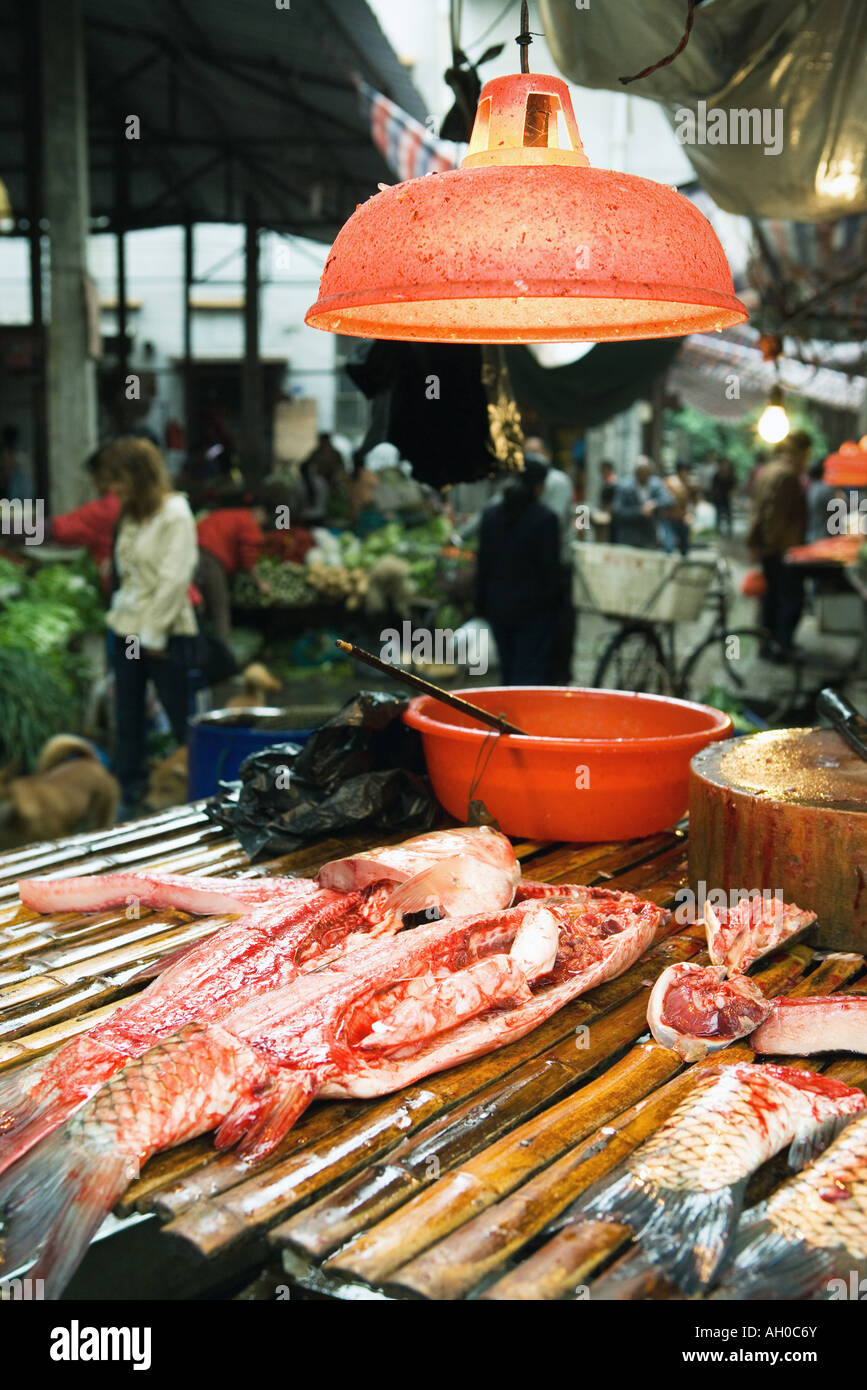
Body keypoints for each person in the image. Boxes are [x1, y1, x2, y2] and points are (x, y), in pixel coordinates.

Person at [103, 437, 199, 816]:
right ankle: (130, 799)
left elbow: (174, 579)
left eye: (118, 479)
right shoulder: (131, 513)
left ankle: (194, 794)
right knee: (128, 719)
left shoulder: (176, 512)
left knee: (182, 722)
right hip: (125, 629)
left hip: (166, 634)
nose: (113, 489)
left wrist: (153, 635)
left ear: (139, 476)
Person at [476, 457, 560, 685]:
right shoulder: (546, 519)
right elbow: (550, 571)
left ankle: (506, 717)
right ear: (539, 485)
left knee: (507, 671)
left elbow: (483, 564)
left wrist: (481, 603)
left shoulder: (490, 515)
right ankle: (522, 720)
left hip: (498, 608)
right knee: (528, 675)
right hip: (533, 612)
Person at [747, 430, 811, 659]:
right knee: (790, 600)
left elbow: (758, 511)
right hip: (781, 550)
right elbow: (775, 516)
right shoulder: (787, 475)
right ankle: (781, 647)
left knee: (771, 599)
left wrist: (758, 545)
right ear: (802, 453)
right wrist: (776, 547)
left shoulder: (768, 470)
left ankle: (768, 646)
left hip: (769, 548)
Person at [523, 436, 577, 684]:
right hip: (536, 565)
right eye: (527, 452)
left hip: (557, 564)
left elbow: (557, 519)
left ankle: (558, 677)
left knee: (559, 625)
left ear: (545, 453)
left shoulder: (558, 481)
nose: (531, 457)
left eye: (535, 452)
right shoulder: (525, 482)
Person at [195, 495, 269, 642]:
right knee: (220, 608)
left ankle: (197, 648)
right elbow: (248, 559)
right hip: (210, 558)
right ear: (260, 512)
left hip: (192, 554)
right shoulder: (249, 523)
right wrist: (260, 583)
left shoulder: (228, 514)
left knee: (198, 605)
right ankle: (223, 654)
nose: (263, 523)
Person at [50, 448, 122, 596]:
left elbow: (56, 530)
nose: (93, 483)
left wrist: (6, 528)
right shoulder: (159, 504)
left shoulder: (110, 508)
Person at [611, 457, 672, 549]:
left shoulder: (656, 484)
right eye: (640, 472)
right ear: (635, 472)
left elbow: (668, 500)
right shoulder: (624, 486)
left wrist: (654, 504)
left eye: (646, 472)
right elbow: (617, 510)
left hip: (650, 536)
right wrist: (639, 511)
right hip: (629, 537)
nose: (643, 476)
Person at [662, 461, 699, 556]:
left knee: (684, 546)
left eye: (687, 471)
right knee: (668, 545)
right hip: (669, 518)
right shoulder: (669, 482)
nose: (686, 474)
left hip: (682, 519)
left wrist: (690, 514)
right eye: (684, 471)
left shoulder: (690, 485)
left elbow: (693, 502)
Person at [709, 456, 736, 536]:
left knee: (728, 515)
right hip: (718, 497)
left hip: (727, 497)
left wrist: (732, 494)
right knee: (718, 515)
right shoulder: (717, 475)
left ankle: (729, 530)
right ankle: (718, 530)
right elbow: (713, 487)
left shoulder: (730, 475)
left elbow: (733, 487)